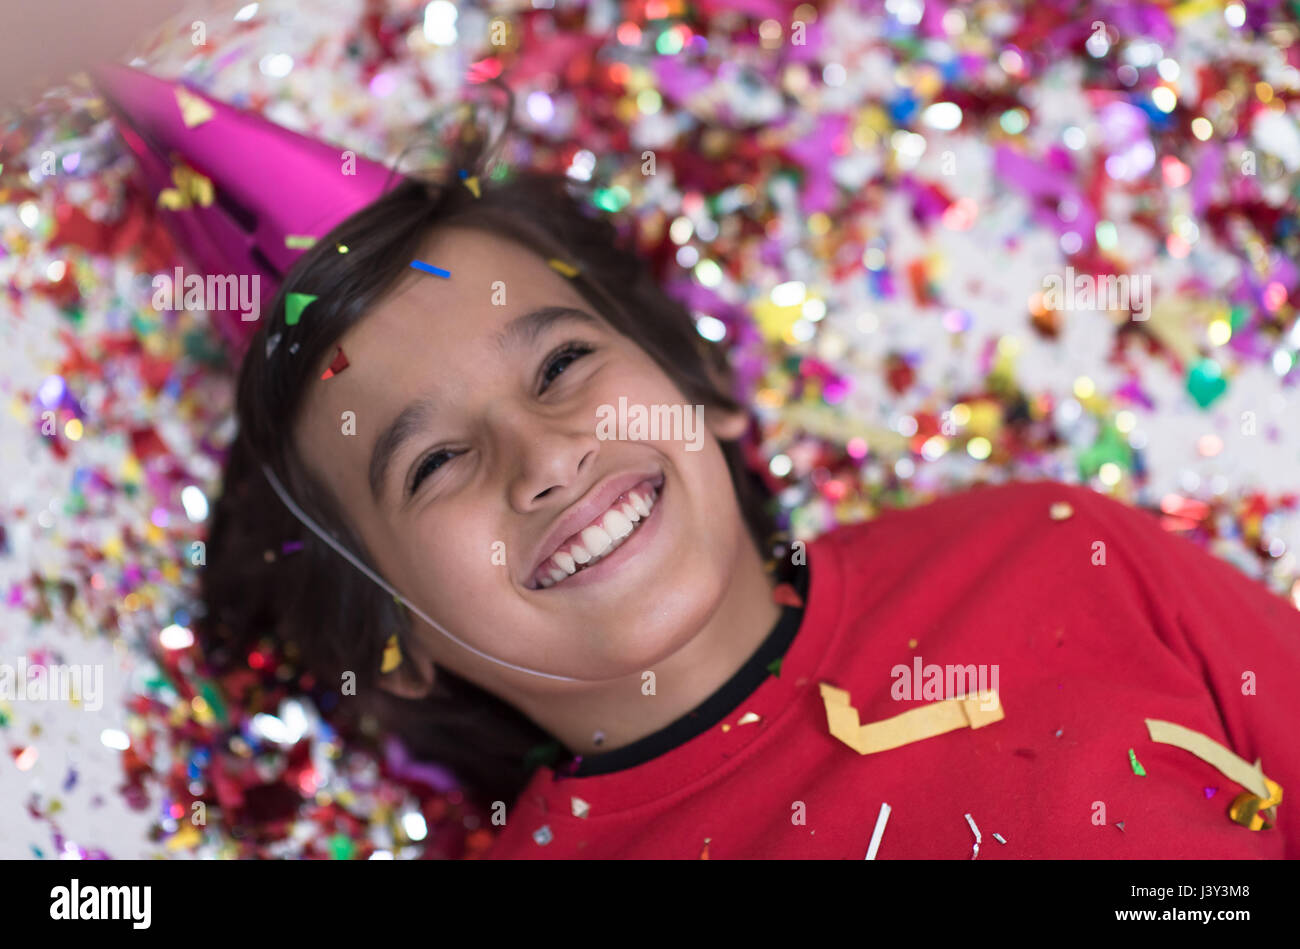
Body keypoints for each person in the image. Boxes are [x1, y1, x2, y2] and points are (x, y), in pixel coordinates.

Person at [199, 124, 1300, 860]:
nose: (543, 457)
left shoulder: (1049, 552)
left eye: (562, 366)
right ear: (397, 632)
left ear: (702, 390)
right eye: (432, 463)